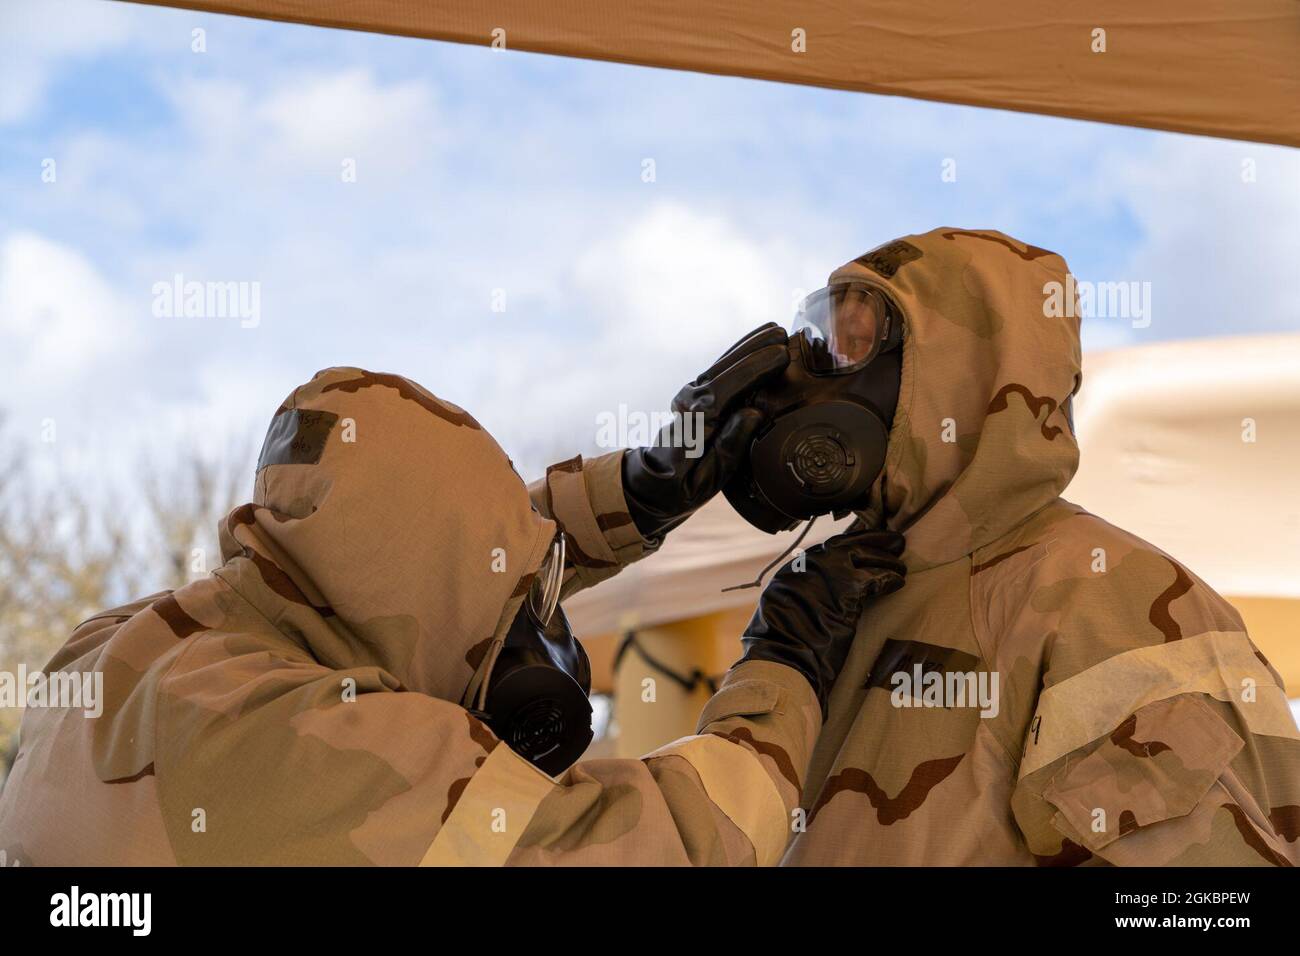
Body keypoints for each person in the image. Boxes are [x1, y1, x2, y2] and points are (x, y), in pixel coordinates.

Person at [0, 333, 905, 866]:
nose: (522, 637)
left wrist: (639, 487)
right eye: (505, 606)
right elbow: (668, 844)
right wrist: (787, 663)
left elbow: (418, 557)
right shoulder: (329, 746)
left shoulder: (124, 644)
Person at [779, 227, 1300, 865]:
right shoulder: (837, 598)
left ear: (964, 373)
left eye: (858, 352)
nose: (828, 387)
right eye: (831, 351)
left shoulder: (1110, 595)